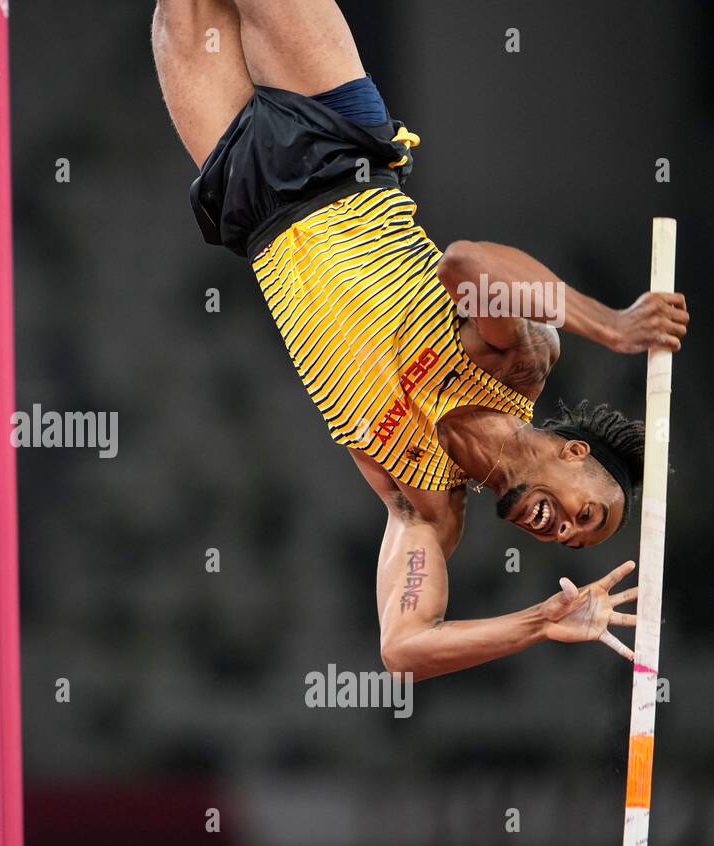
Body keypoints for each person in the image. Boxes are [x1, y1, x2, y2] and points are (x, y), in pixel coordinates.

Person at [151, 0, 690, 679]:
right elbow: (465, 264)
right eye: (592, 514)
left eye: (579, 543)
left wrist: (539, 623)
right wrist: (611, 326)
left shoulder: (425, 506)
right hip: (338, 140)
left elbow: (403, 648)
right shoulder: (517, 366)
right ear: (574, 452)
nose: (569, 532)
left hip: (250, 203)